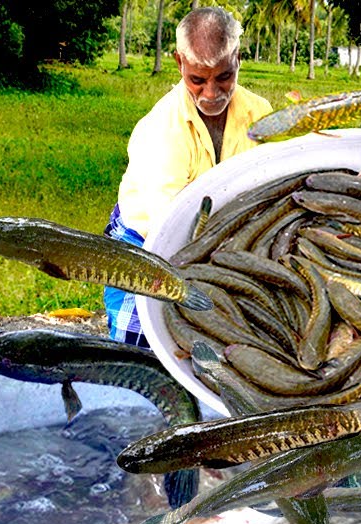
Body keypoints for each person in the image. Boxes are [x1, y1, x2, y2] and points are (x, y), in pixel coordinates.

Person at [103, 6, 272, 347]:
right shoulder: (162, 132)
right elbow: (171, 232)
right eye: (198, 80)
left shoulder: (261, 116)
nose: (212, 93)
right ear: (180, 63)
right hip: (147, 239)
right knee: (139, 348)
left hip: (228, 232)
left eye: (224, 76)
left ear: (237, 58)